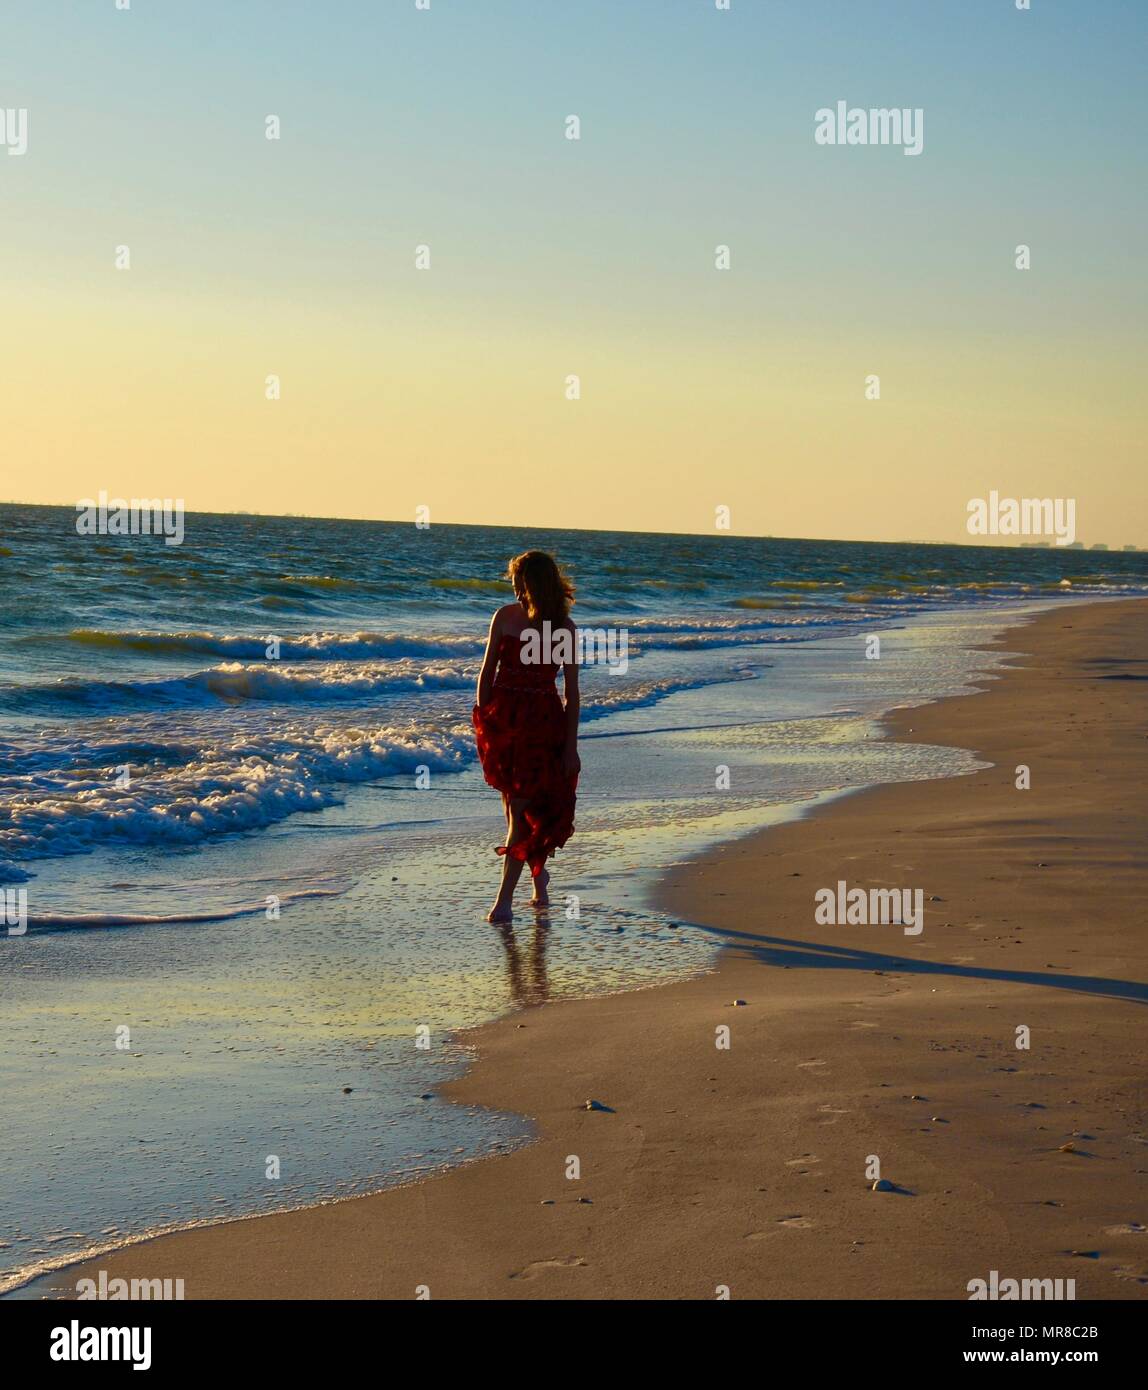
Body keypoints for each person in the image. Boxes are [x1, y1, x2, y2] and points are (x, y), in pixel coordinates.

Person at [473, 550, 580, 922]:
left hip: (543, 725)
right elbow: (487, 673)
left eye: (522, 586)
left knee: (521, 811)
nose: (517, 593)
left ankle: (503, 901)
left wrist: (571, 748)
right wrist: (486, 720)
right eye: (514, 586)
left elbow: (572, 692)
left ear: (537, 586)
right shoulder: (504, 617)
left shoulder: (564, 629)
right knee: (511, 809)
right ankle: (538, 872)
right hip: (505, 722)